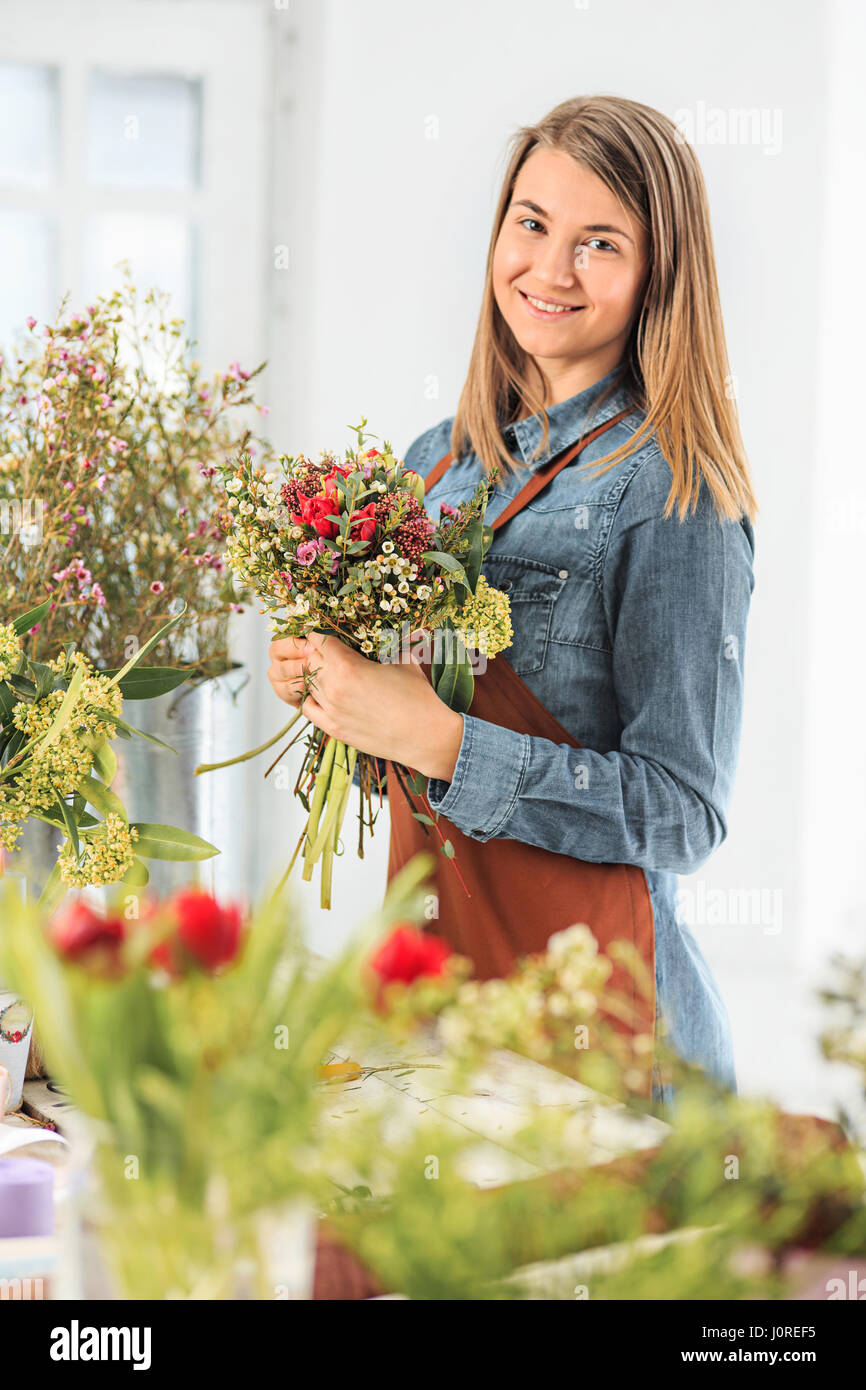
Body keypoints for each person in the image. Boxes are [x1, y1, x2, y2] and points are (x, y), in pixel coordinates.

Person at [268, 94, 757, 1108]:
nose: (548, 270)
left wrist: (443, 740)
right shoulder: (433, 463)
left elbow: (682, 814)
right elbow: (412, 762)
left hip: (603, 1042)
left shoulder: (673, 493)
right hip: (441, 1006)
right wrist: (342, 703)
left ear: (656, 273)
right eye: (531, 224)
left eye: (598, 244)